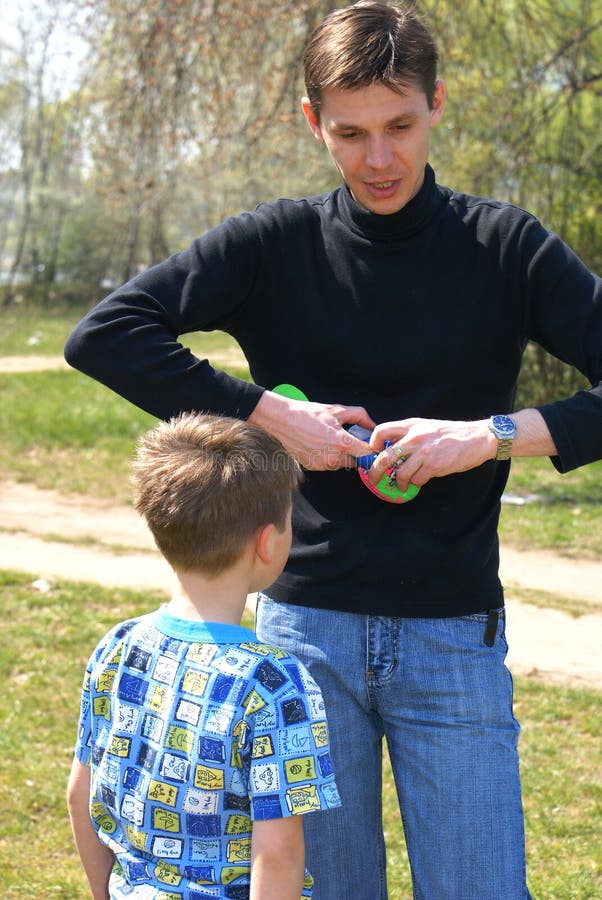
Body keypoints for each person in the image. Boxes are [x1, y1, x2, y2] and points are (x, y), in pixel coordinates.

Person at [64, 2, 602, 897]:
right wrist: (267, 412)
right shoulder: (274, 244)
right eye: (351, 134)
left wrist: (493, 437)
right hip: (302, 645)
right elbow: (105, 334)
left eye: (400, 126)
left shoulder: (505, 247)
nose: (379, 159)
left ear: (437, 103)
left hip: (453, 642)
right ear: (313, 122)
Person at [66, 413, 341, 900]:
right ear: (268, 541)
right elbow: (275, 857)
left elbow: (80, 793)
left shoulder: (119, 646)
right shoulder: (274, 684)